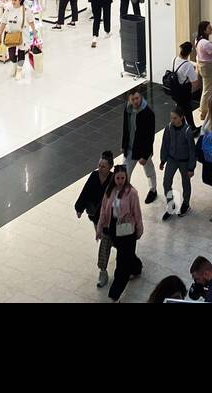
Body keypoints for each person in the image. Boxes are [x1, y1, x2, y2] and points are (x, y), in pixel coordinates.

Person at [96, 165, 143, 301]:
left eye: (123, 178)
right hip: (114, 230)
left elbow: (137, 213)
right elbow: (104, 211)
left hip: (128, 231)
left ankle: (114, 295)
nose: (120, 180)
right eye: (118, 178)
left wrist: (139, 229)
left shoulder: (132, 193)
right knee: (127, 255)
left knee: (122, 264)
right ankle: (136, 268)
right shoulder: (110, 191)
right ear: (114, 178)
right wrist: (100, 227)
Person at [75, 152, 117, 282]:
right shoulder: (94, 176)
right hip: (96, 215)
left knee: (114, 242)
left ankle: (132, 264)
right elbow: (85, 191)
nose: (100, 168)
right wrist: (79, 208)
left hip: (111, 218)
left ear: (110, 167)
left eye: (103, 166)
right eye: (99, 165)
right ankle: (103, 271)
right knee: (105, 241)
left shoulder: (113, 180)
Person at [122, 87, 158, 204]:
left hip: (143, 150)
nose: (135, 101)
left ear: (141, 97)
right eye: (133, 99)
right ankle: (125, 197)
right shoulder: (127, 110)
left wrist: (145, 155)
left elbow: (150, 136)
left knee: (149, 171)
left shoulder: (148, 113)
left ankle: (153, 190)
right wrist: (124, 144)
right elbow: (125, 128)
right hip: (130, 148)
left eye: (137, 98)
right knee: (124, 174)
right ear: (129, 100)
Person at [159, 107, 196, 219]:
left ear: (181, 118)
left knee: (185, 183)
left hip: (184, 162)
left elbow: (192, 151)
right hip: (171, 159)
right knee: (166, 182)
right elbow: (165, 144)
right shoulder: (169, 128)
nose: (172, 120)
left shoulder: (187, 131)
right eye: (171, 118)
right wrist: (163, 160)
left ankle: (186, 204)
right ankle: (171, 205)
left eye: (175, 118)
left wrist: (191, 168)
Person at [168, 41, 200, 129]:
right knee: (187, 110)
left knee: (180, 108)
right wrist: (197, 69)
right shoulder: (188, 66)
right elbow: (195, 82)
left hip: (174, 90)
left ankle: (179, 126)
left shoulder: (174, 60)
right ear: (189, 52)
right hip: (184, 92)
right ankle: (192, 128)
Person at [194, 21, 212, 122]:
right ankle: (204, 110)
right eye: (209, 28)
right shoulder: (206, 43)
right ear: (204, 30)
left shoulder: (199, 39)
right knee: (207, 89)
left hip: (203, 65)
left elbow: (210, 47)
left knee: (210, 86)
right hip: (207, 67)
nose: (211, 29)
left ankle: (207, 107)